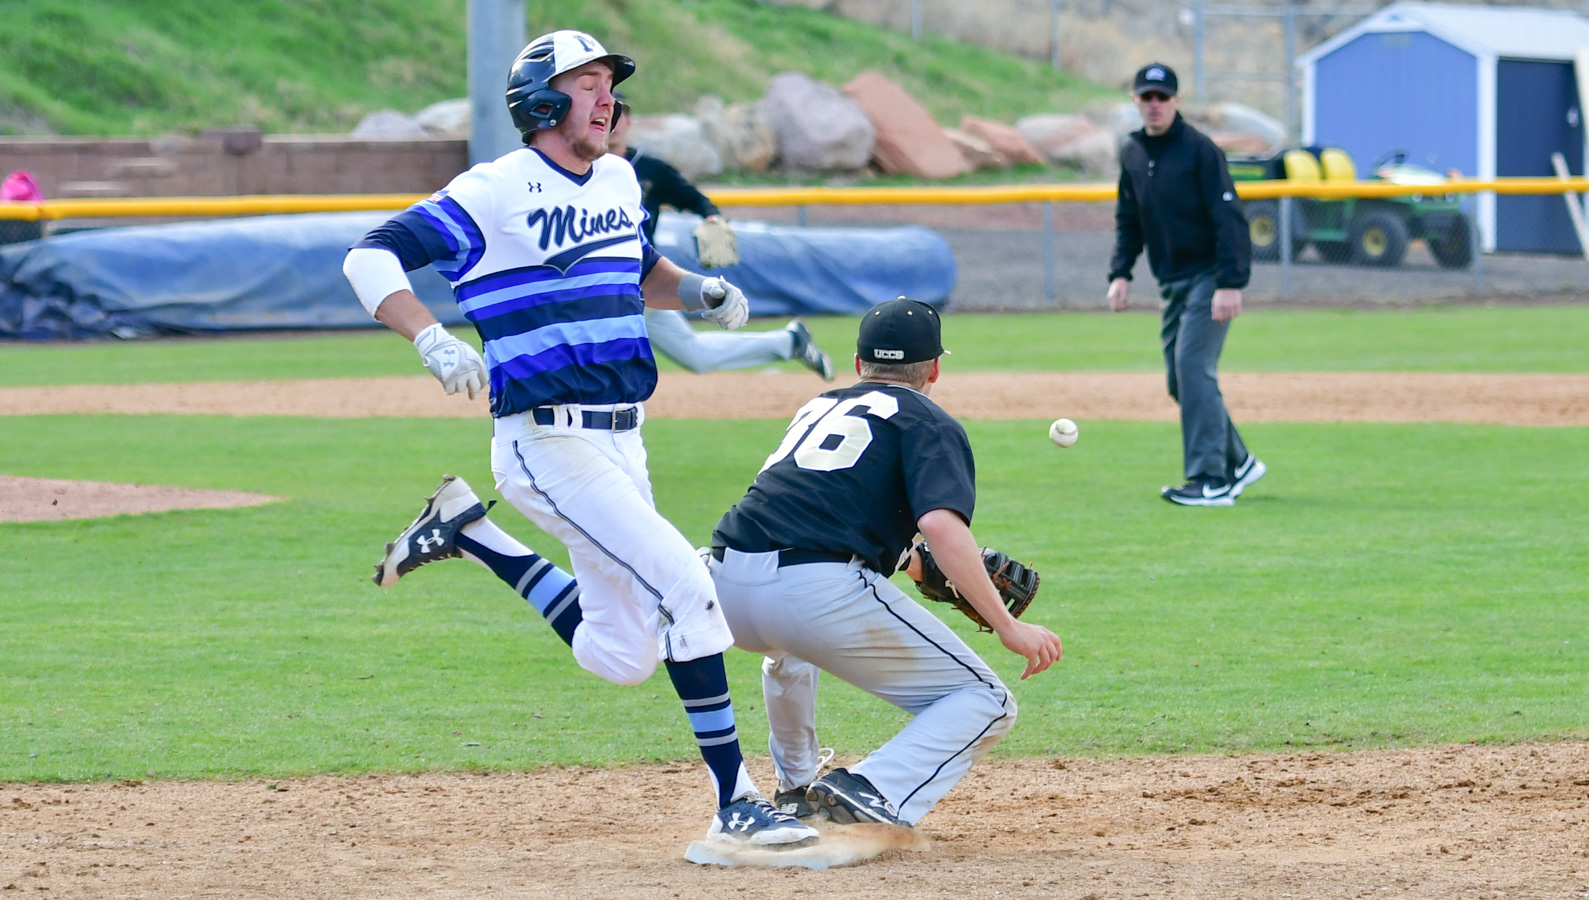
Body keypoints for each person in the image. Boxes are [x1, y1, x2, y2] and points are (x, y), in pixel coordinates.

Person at [340, 29, 816, 850]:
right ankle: (737, 802)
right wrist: (427, 335)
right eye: (588, 82)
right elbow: (369, 256)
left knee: (621, 652)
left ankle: (471, 533)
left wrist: (696, 290)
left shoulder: (621, 178)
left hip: (624, 439)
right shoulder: (493, 188)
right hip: (544, 441)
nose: (607, 97)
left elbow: (634, 268)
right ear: (543, 101)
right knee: (688, 593)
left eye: (609, 84)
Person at [706, 296, 1063, 828]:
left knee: (788, 652)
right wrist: (1005, 623)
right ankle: (873, 787)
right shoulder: (928, 421)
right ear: (935, 368)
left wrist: (916, 564)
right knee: (986, 698)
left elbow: (816, 511)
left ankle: (796, 786)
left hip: (724, 582)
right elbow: (942, 527)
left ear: (858, 365)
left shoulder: (817, 407)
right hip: (813, 594)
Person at [1106, 62, 1266, 507]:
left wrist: (1231, 282)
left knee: (1194, 369)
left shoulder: (1200, 150)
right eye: (1146, 97)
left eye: (1162, 97)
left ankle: (1210, 479)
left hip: (1210, 275)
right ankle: (1240, 460)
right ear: (1136, 102)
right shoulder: (1133, 150)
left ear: (1176, 101)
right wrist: (1120, 272)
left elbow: (1229, 217)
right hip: (1172, 280)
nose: (1154, 105)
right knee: (1180, 380)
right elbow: (1128, 219)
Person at [608, 92, 835, 381]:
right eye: (608, 110)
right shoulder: (582, 169)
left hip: (639, 280)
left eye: (621, 112)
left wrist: (713, 218)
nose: (614, 119)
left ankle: (790, 341)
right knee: (692, 354)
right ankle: (788, 342)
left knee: (623, 351)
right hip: (604, 282)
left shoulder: (650, 169)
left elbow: (695, 199)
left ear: (629, 121)